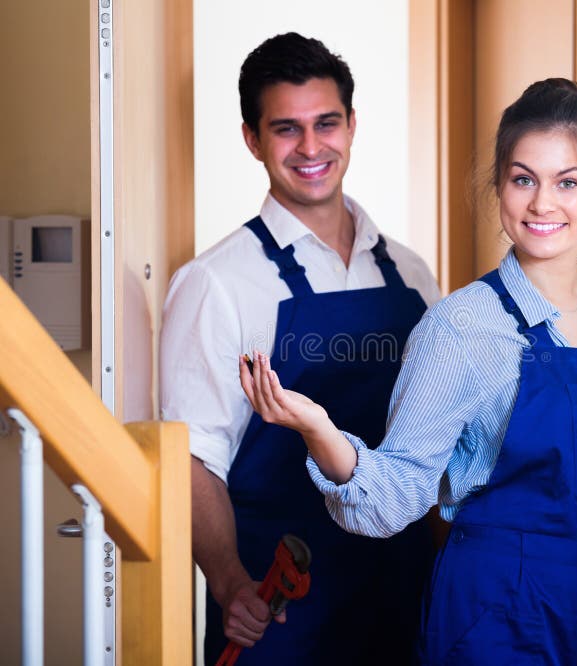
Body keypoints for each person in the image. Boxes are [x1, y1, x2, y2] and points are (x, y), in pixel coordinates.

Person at [240, 78, 577, 664]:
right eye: (523, 178)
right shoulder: (458, 329)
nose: (543, 204)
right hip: (494, 622)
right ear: (499, 186)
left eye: (568, 182)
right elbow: (396, 494)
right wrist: (319, 429)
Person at [160, 33, 440, 665]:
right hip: (279, 596)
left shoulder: (413, 274)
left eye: (326, 124)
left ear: (352, 126)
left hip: (402, 585)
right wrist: (228, 579)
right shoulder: (215, 284)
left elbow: (441, 435)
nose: (311, 148)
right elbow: (194, 458)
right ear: (252, 140)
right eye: (286, 129)